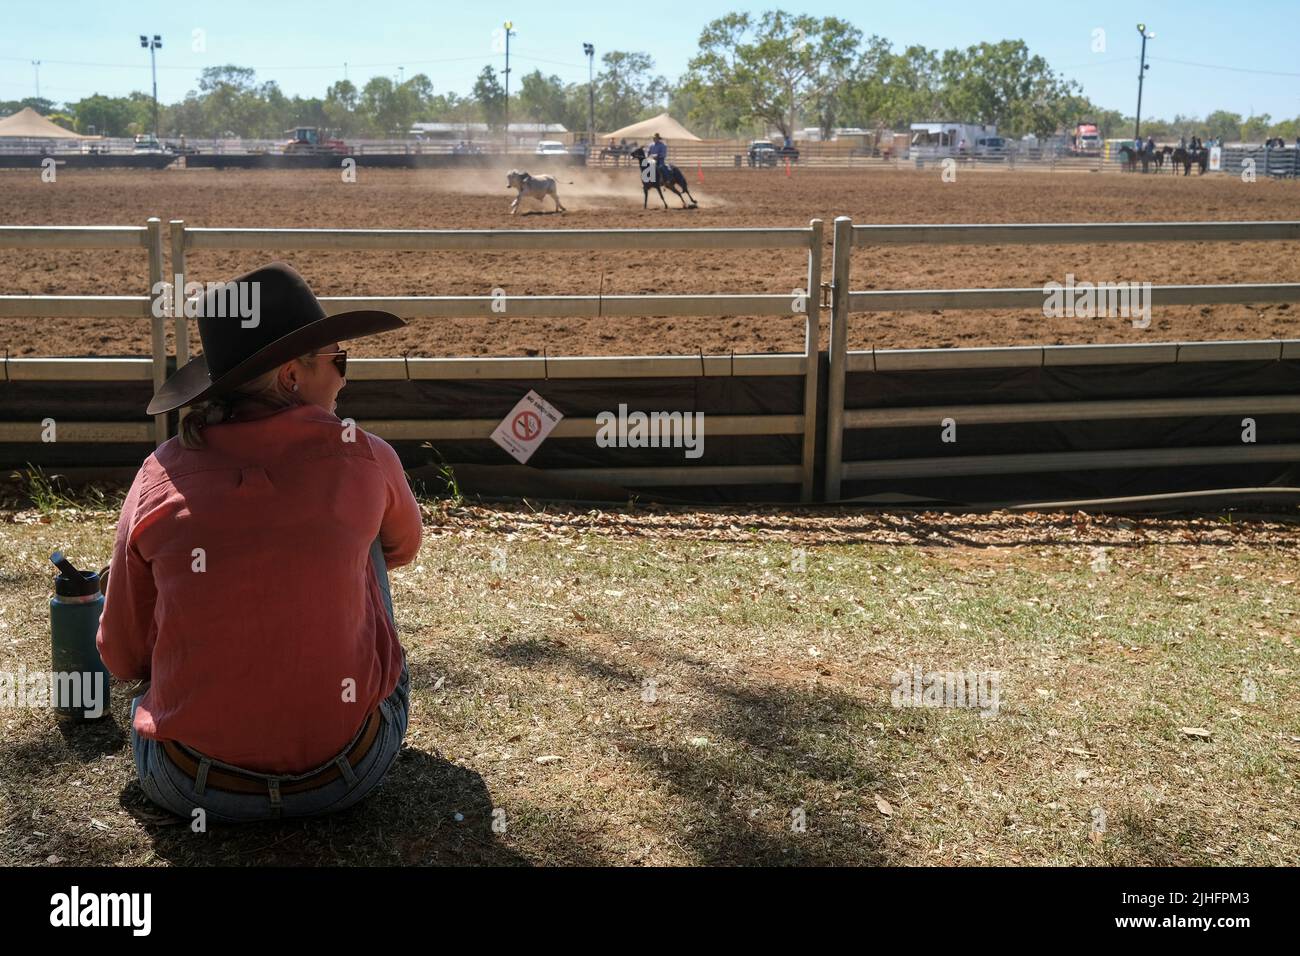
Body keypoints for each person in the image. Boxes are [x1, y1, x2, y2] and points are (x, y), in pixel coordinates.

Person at [98, 262, 423, 823]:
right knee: (365, 540)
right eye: (339, 362)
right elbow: (403, 548)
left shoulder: (158, 475)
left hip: (191, 783)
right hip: (346, 773)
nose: (345, 378)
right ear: (293, 377)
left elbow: (123, 657)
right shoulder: (367, 455)